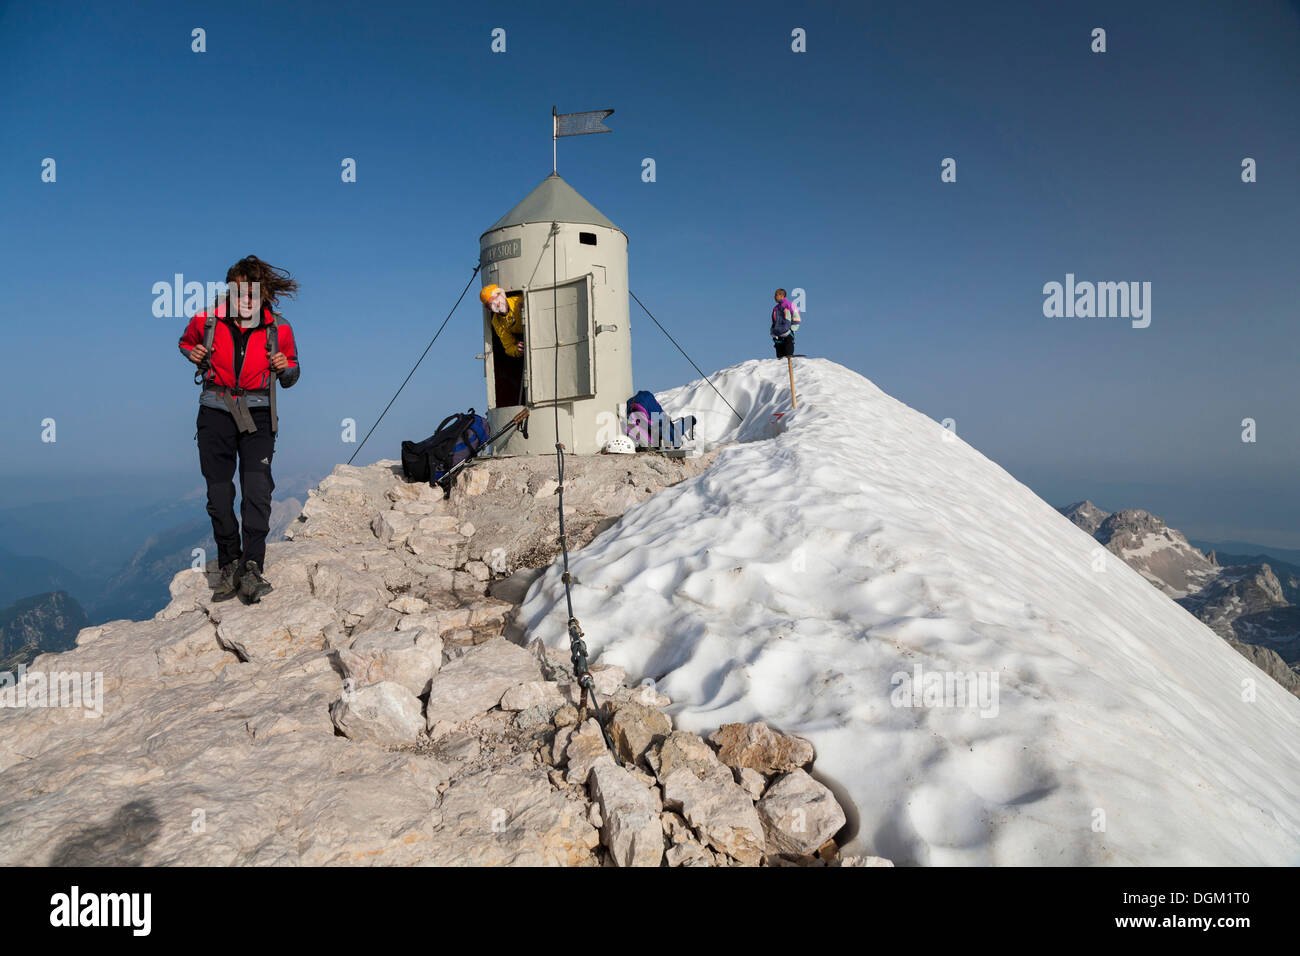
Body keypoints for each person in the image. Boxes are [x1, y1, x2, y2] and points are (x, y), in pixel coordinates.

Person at [178, 255, 300, 603]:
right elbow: (185, 343)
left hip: (259, 414)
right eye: (238, 290)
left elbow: (292, 373)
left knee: (257, 492)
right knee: (219, 496)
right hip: (215, 411)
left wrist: (284, 367)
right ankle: (230, 561)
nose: (245, 298)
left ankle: (252, 567)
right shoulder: (206, 319)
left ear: (264, 294)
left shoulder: (279, 328)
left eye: (252, 291)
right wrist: (193, 353)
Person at [481, 283, 527, 405]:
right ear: (488, 308)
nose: (497, 303)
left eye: (497, 298)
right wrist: (517, 350)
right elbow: (508, 347)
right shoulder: (497, 322)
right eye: (491, 303)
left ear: (503, 295)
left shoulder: (520, 300)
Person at [770, 287, 801, 358]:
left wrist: (792, 329)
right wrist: (772, 331)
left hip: (788, 333)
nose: (774, 297)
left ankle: (790, 366)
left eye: (776, 295)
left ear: (781, 296)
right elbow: (773, 321)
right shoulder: (775, 308)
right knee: (780, 357)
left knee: (788, 354)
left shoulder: (789, 305)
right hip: (778, 335)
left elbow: (797, 317)